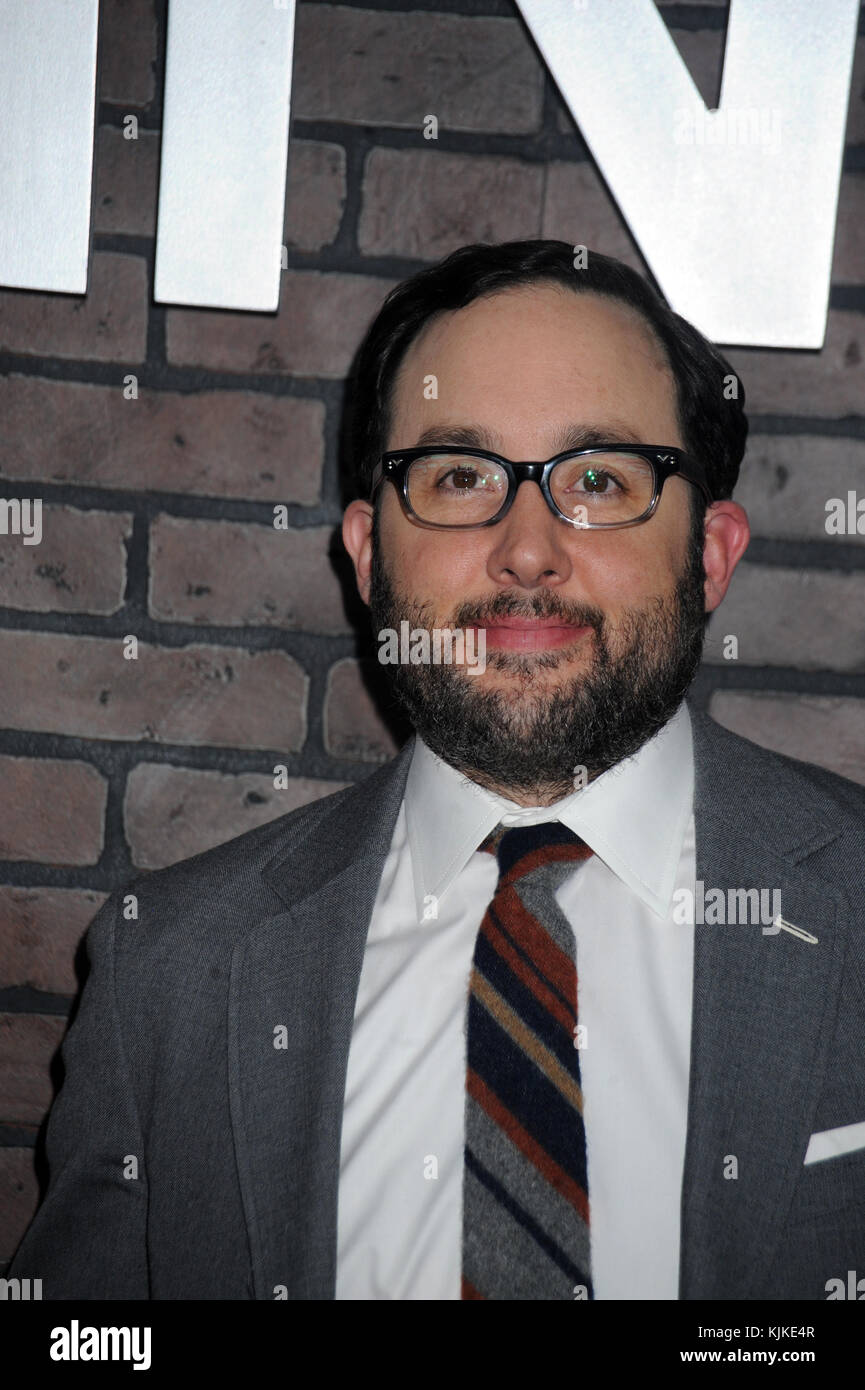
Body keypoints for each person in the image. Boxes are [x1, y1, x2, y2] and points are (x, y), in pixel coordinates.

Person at [9, 241, 865, 1301]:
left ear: (710, 555)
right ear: (368, 554)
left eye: (597, 478)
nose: (526, 548)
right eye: (460, 476)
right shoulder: (174, 972)